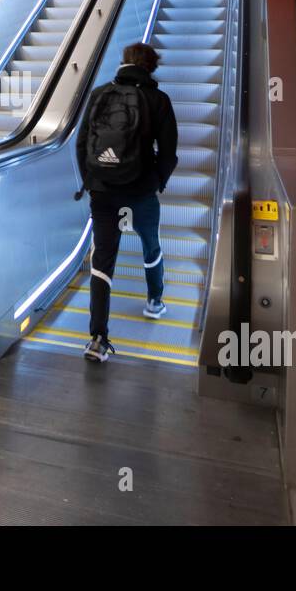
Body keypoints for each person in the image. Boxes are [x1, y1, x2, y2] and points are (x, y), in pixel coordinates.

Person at [74, 42, 178, 362]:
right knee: (150, 244)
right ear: (152, 67)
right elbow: (169, 151)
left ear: (123, 63)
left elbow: (82, 144)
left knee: (103, 258)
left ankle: (98, 338)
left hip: (103, 192)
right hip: (141, 189)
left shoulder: (100, 94)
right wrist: (157, 181)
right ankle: (155, 301)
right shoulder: (158, 100)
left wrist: (92, 182)